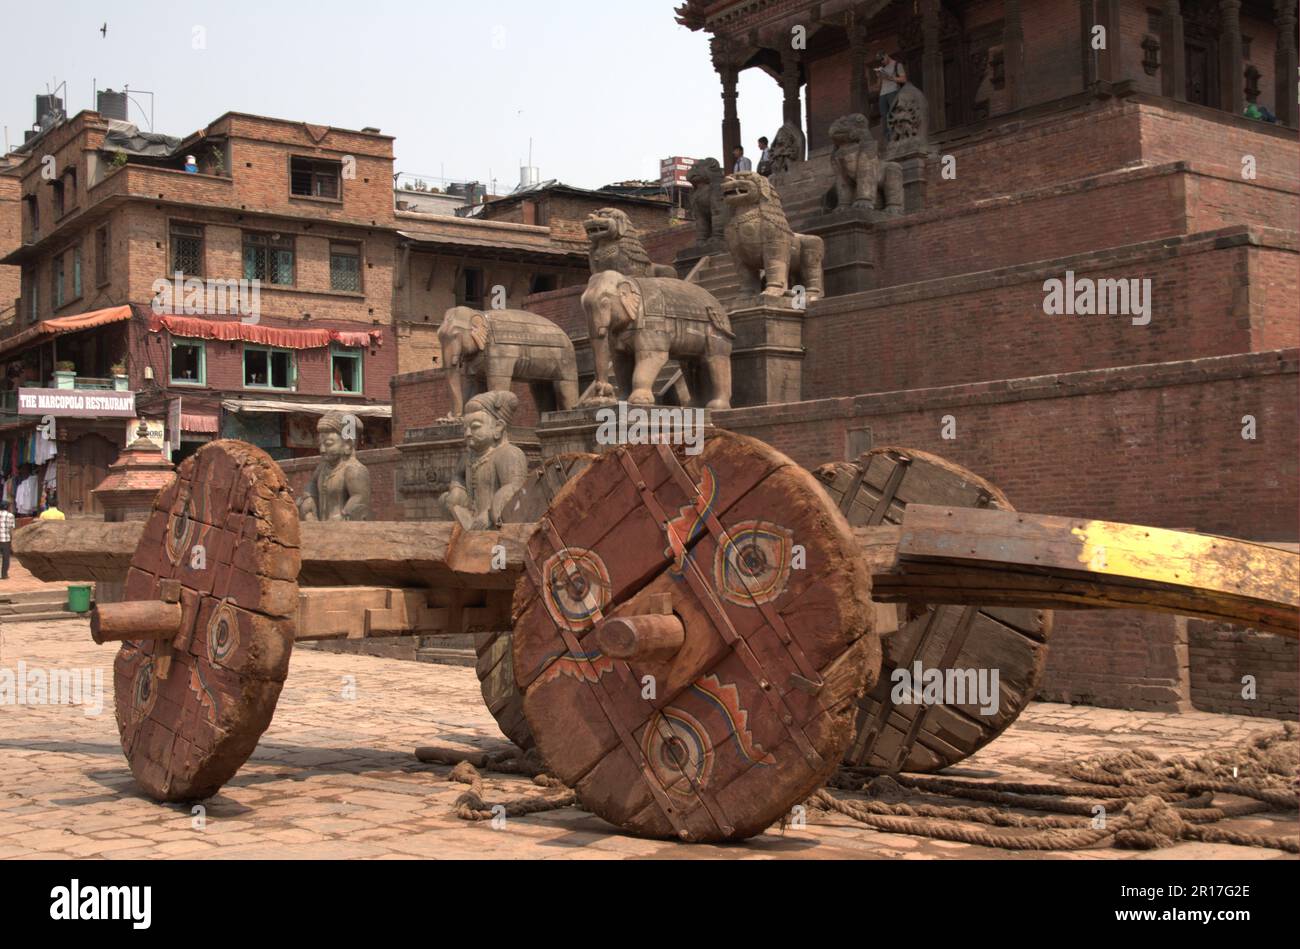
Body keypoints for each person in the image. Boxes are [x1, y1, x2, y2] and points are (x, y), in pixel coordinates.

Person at [873, 51, 908, 143]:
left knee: (894, 114)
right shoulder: (882, 68)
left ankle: (899, 136)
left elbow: (903, 79)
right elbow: (877, 87)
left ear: (886, 55)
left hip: (893, 91)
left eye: (882, 59)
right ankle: (888, 139)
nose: (882, 62)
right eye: (880, 61)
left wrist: (891, 78)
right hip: (882, 94)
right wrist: (878, 77)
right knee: (884, 117)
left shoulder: (897, 65)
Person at [0, 501, 14, 580]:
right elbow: (11, 529)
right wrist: (13, 539)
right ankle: (4, 574)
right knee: (5, 558)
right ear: (7, 507)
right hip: (6, 539)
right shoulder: (10, 515)